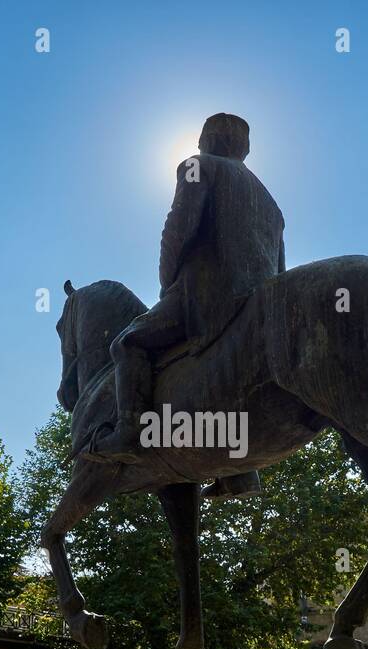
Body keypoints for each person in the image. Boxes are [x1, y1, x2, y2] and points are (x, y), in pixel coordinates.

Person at [86, 113, 284, 499]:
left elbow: (178, 228)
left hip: (206, 295)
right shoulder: (271, 203)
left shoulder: (197, 167)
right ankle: (243, 472)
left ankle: (128, 432)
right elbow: (278, 268)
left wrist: (168, 281)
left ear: (206, 140)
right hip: (259, 305)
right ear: (244, 148)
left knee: (127, 344)